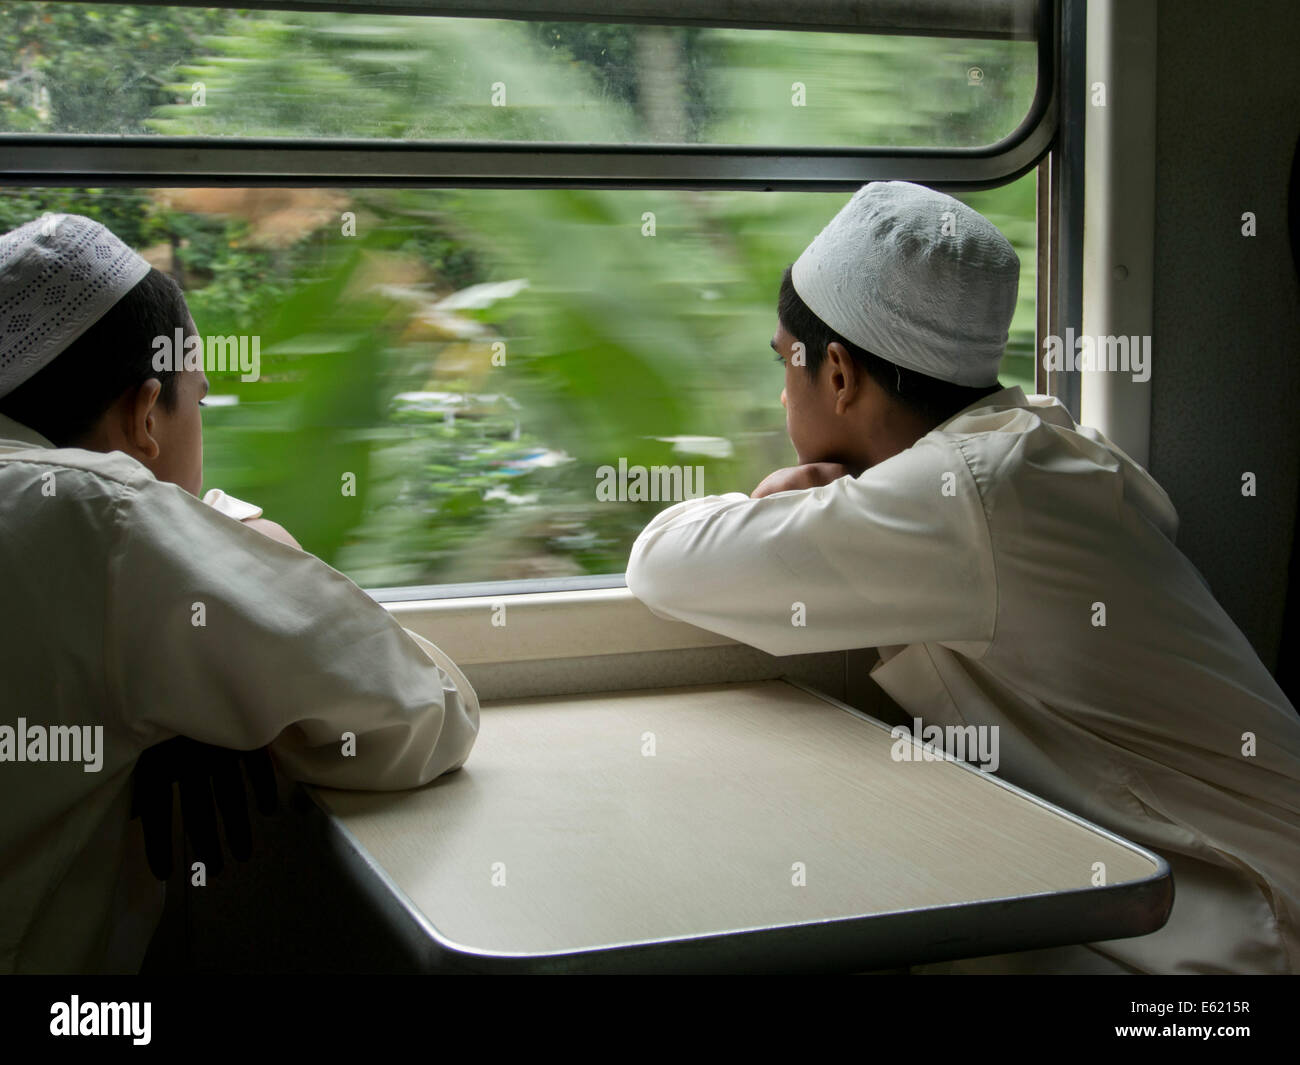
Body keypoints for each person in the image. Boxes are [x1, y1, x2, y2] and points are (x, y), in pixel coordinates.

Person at [625, 181, 1300, 975]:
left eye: (787, 367)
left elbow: (661, 564)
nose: (781, 396)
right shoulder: (1032, 444)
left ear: (838, 374)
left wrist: (774, 499)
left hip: (1246, 962)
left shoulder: (963, 494)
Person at [0, 213, 479, 974]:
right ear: (144, 414)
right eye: (199, 399)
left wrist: (181, 694)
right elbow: (426, 710)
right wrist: (248, 537)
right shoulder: (108, 521)